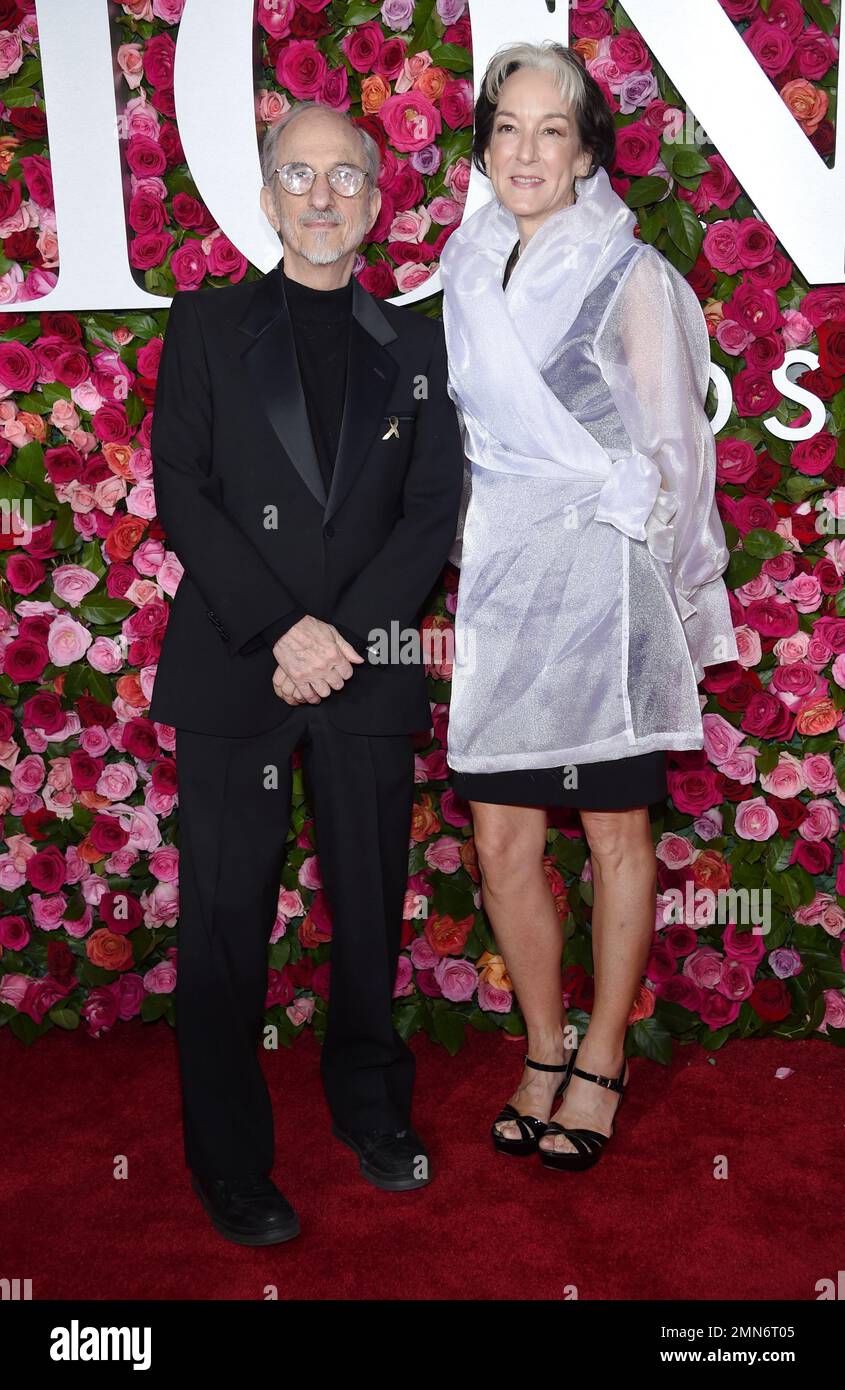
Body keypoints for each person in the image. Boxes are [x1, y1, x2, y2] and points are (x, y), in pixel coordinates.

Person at [149, 100, 464, 1243]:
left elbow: (430, 511)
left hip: (367, 672)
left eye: (345, 177)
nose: (322, 197)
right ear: (269, 195)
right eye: (299, 174)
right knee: (225, 923)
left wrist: (340, 637)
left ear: (375, 203)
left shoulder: (416, 348)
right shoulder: (203, 326)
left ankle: (369, 1106)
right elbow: (183, 486)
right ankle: (229, 1158)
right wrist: (283, 630)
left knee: (369, 909)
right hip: (237, 667)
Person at [439, 42, 738, 1172]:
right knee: (501, 837)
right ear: (482, 148)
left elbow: (672, 450)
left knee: (616, 833)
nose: (525, 151)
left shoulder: (631, 272)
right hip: (502, 585)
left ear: (582, 153)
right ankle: (543, 1041)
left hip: (603, 587)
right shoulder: (463, 272)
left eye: (548, 130)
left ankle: (601, 1056)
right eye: (505, 129)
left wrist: (666, 592)